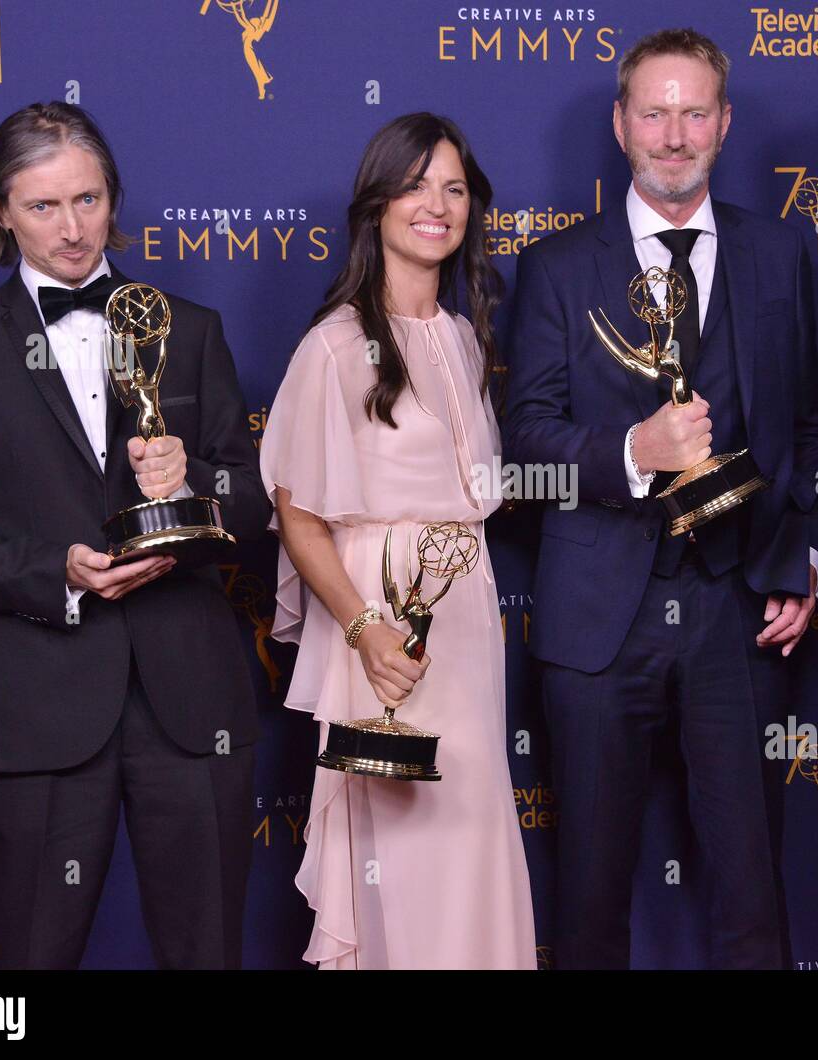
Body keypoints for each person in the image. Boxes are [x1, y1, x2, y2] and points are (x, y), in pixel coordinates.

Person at [0, 102, 268, 969]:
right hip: (37, 705)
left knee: (207, 949)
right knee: (29, 958)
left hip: (192, 701)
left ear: (113, 197)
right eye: (43, 207)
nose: (72, 229)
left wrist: (195, 486)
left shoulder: (191, 329)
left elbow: (251, 506)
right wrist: (57, 573)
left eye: (89, 200)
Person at [503, 28, 818, 969]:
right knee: (592, 893)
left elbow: (815, 429)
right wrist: (632, 452)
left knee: (752, 888)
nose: (674, 134)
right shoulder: (559, 266)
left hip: (740, 609)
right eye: (655, 111)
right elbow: (524, 442)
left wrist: (803, 558)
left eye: (695, 112)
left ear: (725, 124)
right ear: (620, 124)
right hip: (601, 615)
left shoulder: (782, 250)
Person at [260, 112, 536, 970]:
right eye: (415, 185)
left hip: (465, 616)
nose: (436, 205)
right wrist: (361, 627)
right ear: (376, 205)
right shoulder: (334, 345)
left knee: (474, 826)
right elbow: (298, 516)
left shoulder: (461, 335)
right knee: (404, 853)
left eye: (453, 188)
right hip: (382, 620)